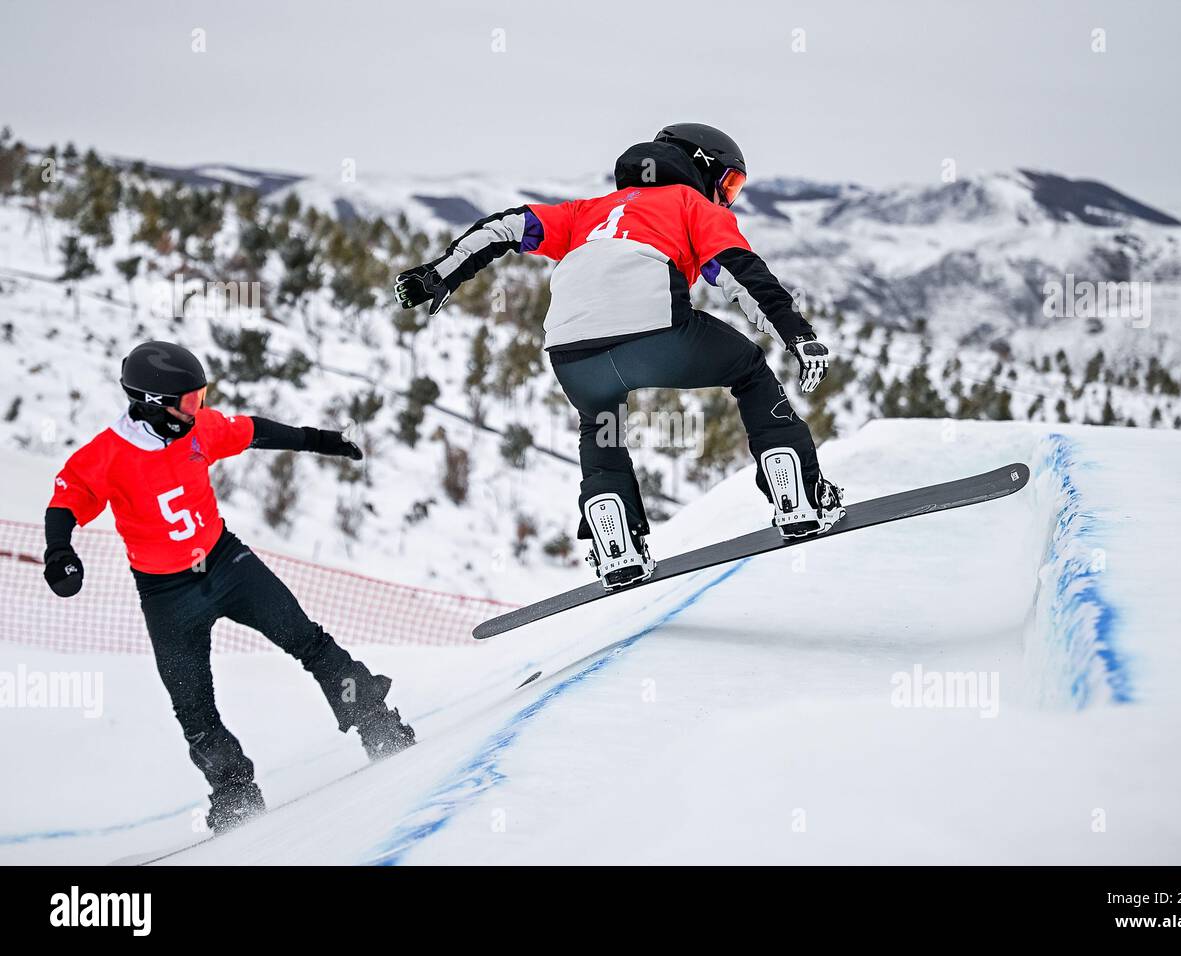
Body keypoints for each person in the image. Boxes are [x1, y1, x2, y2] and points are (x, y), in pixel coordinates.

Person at [395, 123, 843, 589]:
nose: (727, 198)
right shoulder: (690, 204)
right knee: (749, 370)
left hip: (571, 353)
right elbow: (740, 270)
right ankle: (800, 493)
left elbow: (505, 228)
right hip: (658, 335)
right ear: (702, 166)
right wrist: (797, 334)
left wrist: (439, 274)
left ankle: (617, 542)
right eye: (729, 184)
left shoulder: (585, 211)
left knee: (600, 419)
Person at [42, 341, 415, 833]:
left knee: (307, 640)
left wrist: (321, 440)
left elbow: (255, 431)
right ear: (152, 404)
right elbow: (66, 500)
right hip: (166, 594)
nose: (198, 410)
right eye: (189, 401)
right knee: (193, 707)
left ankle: (376, 721)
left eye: (201, 398)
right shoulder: (107, 455)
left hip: (225, 563)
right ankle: (235, 793)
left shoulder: (200, 430)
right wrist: (59, 551)